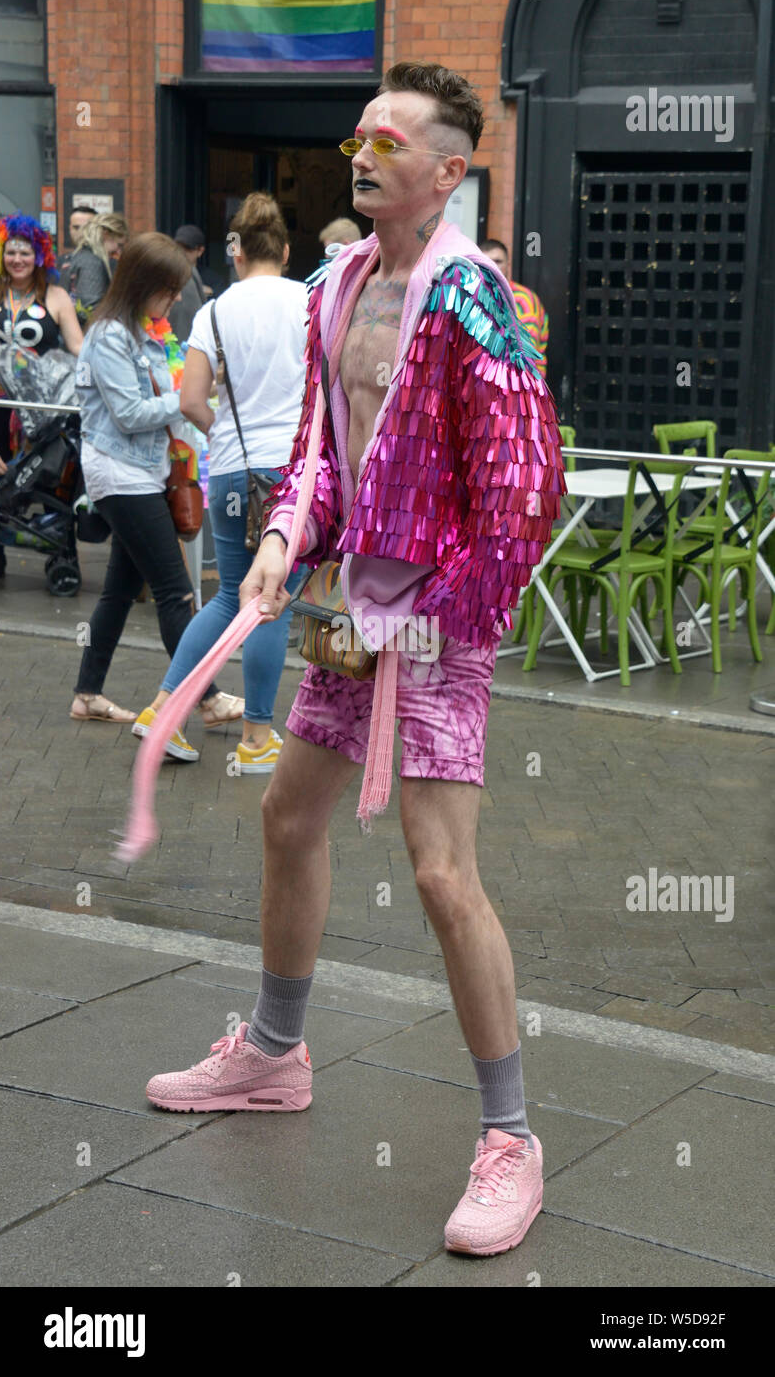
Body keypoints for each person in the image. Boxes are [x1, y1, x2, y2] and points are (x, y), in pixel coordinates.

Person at [145, 63, 565, 1257]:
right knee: (287, 814)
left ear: (447, 172)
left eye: (392, 139)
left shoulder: (478, 302)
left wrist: (443, 614)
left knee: (440, 872)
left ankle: (511, 1135)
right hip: (349, 608)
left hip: (439, 623)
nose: (364, 150)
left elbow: (522, 495)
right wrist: (284, 538)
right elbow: (327, 452)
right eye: (358, 132)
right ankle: (274, 1052)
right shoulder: (339, 285)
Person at [133, 194, 308, 770]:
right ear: (283, 250)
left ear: (235, 254)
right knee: (269, 603)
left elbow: (190, 401)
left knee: (232, 596)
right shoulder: (309, 301)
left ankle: (164, 709)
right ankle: (257, 738)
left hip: (231, 469)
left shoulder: (213, 311)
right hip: (288, 472)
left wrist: (225, 435)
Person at [70, 231, 228, 731]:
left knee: (119, 592)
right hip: (121, 474)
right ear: (143, 285)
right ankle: (207, 698)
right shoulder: (111, 336)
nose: (177, 298)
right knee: (175, 592)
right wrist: (188, 400)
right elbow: (131, 412)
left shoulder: (142, 330)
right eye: (170, 288)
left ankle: (87, 693)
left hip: (139, 472)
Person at [0, 212, 83, 577]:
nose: (17, 260)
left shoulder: (56, 296)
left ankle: (62, 554)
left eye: (25, 253)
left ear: (40, 256)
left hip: (43, 411)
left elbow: (79, 348)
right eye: (11, 252)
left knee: (51, 484)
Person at [479, 238, 549, 379]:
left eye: (498, 261)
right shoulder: (474, 296)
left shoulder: (523, 299)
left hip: (523, 386)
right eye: (486, 261)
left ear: (508, 265)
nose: (491, 266)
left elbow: (524, 354)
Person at [61, 213, 129, 329]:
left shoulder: (80, 256)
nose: (118, 251)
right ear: (106, 234)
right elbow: (90, 310)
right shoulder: (92, 262)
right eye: (119, 245)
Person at [170, 224, 212, 344]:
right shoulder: (169, 269)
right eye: (178, 247)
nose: (182, 252)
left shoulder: (207, 276)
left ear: (200, 251)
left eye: (187, 248)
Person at [59, 205, 97, 274]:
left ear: (97, 230)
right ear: (70, 229)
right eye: (76, 227)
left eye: (87, 228)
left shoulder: (109, 264)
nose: (81, 233)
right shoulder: (59, 264)